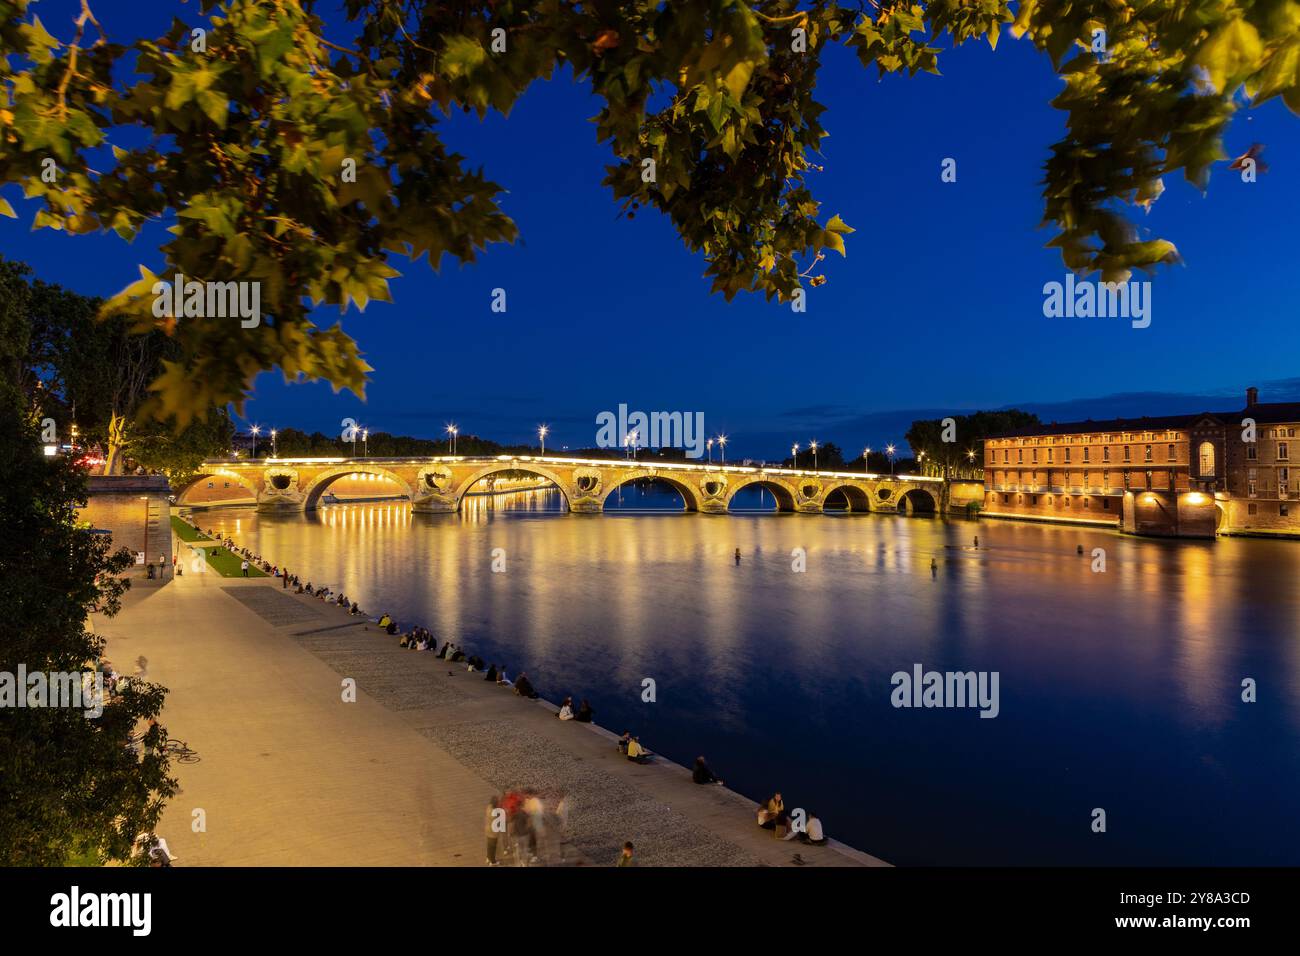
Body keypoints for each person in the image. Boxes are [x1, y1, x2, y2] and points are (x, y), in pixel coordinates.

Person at [485, 796, 502, 866]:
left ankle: (488, 858)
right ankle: (492, 861)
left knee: (489, 846)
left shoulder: (489, 807)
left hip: (488, 830)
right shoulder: (495, 813)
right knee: (493, 846)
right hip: (493, 832)